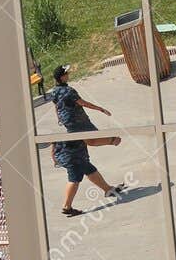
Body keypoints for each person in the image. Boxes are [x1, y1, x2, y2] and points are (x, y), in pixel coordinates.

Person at [46, 65, 126, 216]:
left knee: (89, 169)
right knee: (77, 173)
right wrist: (100, 109)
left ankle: (108, 190)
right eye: (66, 73)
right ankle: (67, 206)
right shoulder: (69, 91)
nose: (68, 74)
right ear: (62, 77)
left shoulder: (54, 92)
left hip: (69, 123)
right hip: (78, 122)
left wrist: (60, 119)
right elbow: (82, 103)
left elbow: (57, 107)